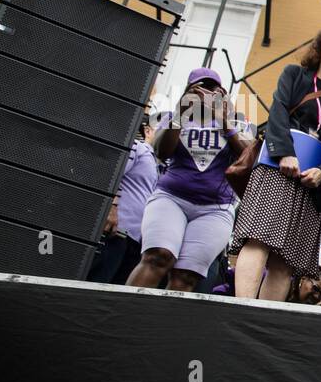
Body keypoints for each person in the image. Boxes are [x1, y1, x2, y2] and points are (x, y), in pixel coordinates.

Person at [232, 27, 321, 300]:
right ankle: (241, 306)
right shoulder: (294, 75)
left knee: (287, 260)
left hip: (311, 185)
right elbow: (278, 111)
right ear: (319, 48)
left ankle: (262, 318)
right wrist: (285, 153)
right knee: (259, 238)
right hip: (276, 170)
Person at [127, 68, 245, 293]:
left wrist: (226, 124)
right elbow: (161, 151)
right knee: (157, 258)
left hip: (215, 208)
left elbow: (247, 158)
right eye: (199, 89)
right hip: (171, 199)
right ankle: (124, 317)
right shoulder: (175, 118)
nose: (206, 94)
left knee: (185, 277)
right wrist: (180, 112)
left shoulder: (236, 121)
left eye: (213, 89)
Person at [88, 121, 158, 285]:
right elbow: (114, 173)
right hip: (116, 230)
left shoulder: (158, 164)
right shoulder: (137, 147)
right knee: (98, 281)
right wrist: (111, 208)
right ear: (148, 130)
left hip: (133, 240)